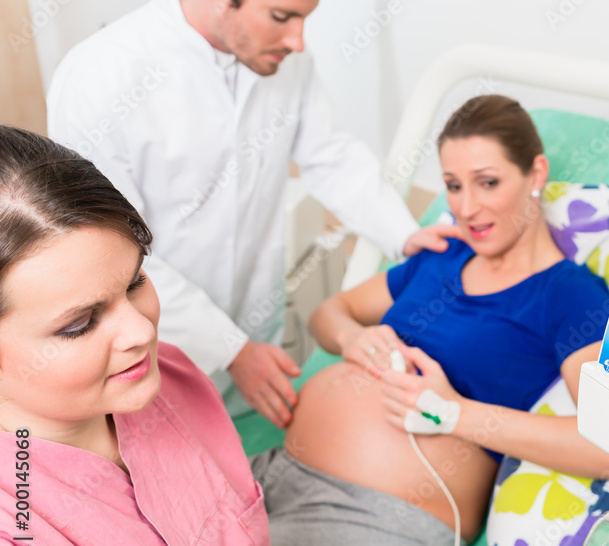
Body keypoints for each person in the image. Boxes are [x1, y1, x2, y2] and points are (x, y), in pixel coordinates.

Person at [0, 126, 573, 546]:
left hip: (381, 510)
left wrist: (458, 414)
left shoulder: (163, 381)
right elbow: (336, 315)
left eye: (134, 282)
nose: (142, 332)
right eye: (78, 324)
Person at [256, 95, 609, 546]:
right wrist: (352, 338)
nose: (467, 207)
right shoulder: (439, 257)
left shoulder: (566, 296)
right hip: (278, 472)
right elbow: (328, 314)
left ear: (536, 173)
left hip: (378, 522)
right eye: (453, 185)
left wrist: (454, 413)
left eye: (488, 182)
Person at [46, 0, 458, 429]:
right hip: (152, 344)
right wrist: (231, 351)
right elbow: (111, 252)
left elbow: (331, 155)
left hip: (254, 322)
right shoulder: (99, 79)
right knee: (161, 455)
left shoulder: (282, 60)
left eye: (305, 19)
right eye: (282, 17)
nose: (298, 41)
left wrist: (405, 234)